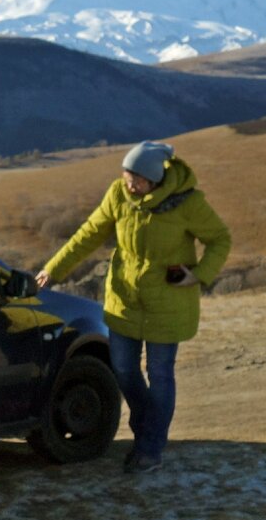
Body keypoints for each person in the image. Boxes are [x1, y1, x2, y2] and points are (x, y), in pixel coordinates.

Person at [35, 140, 231, 474]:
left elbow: (220, 239)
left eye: (136, 179)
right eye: (126, 176)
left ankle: (150, 449)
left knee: (160, 375)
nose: (130, 184)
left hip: (167, 305)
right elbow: (89, 234)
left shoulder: (187, 203)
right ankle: (146, 426)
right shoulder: (118, 195)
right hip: (124, 301)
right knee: (124, 370)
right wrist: (52, 269)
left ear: (154, 179)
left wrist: (198, 275)